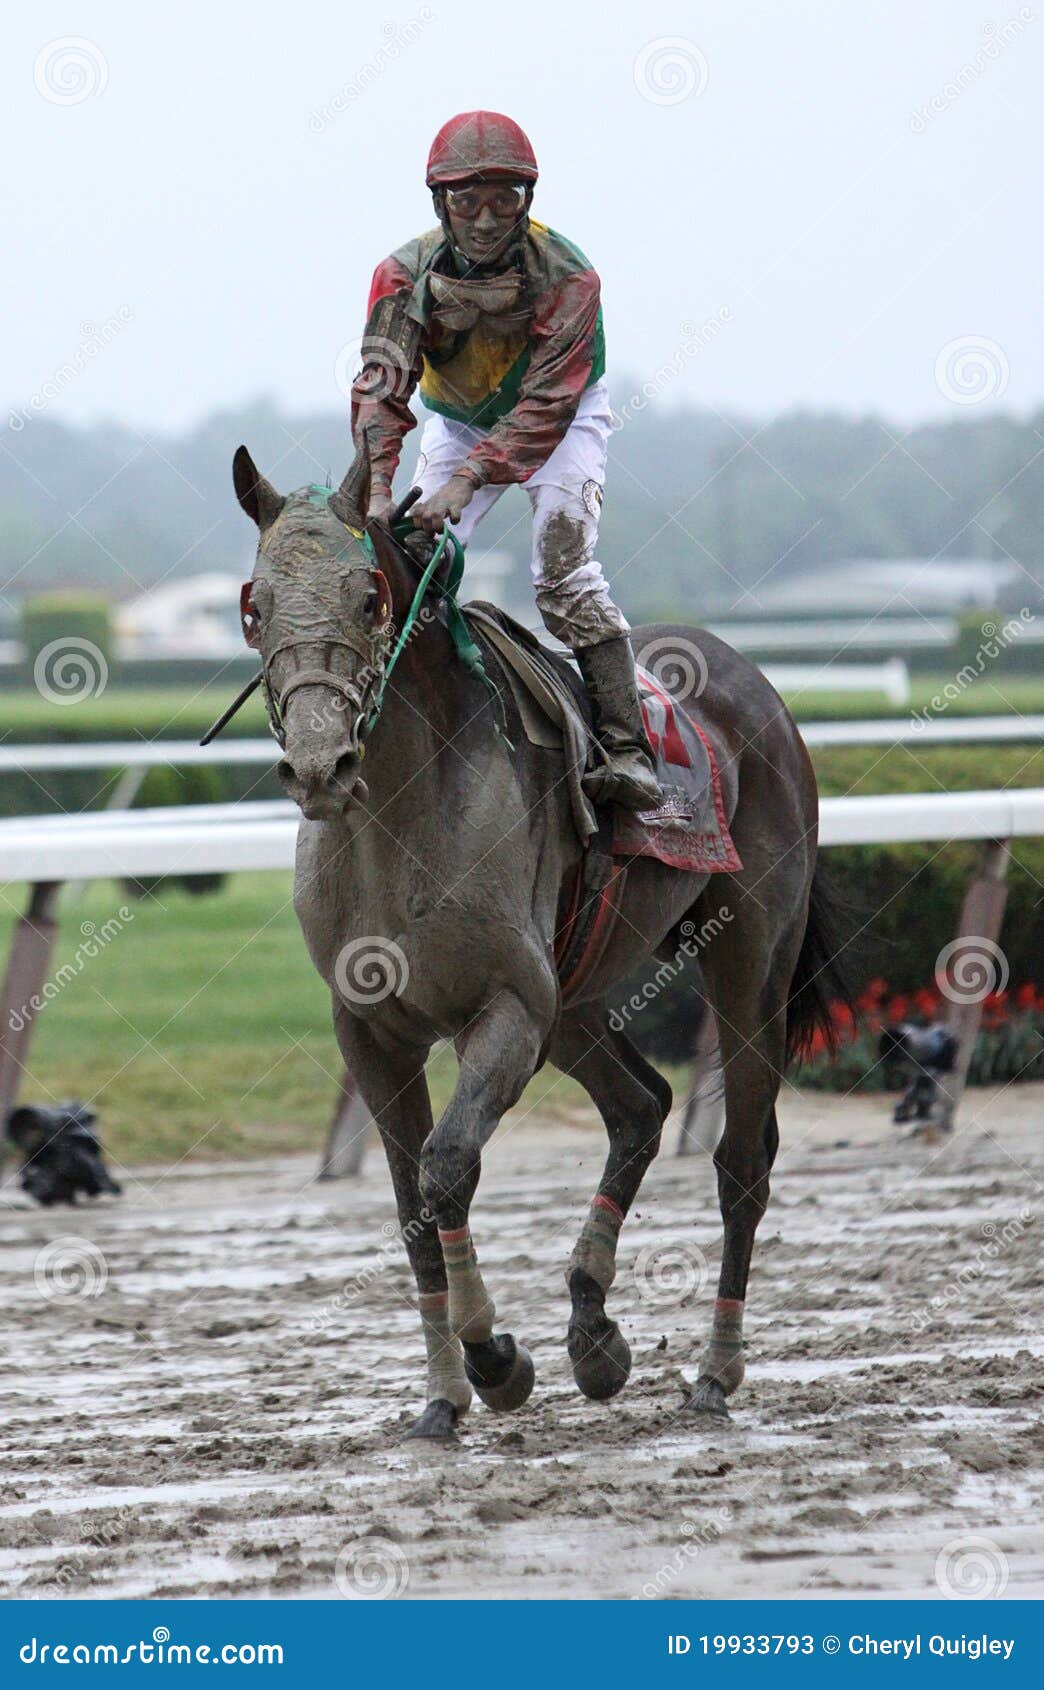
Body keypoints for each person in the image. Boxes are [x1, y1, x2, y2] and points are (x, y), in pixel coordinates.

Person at [350, 109, 660, 811]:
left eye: (504, 200)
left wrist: (466, 481)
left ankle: (626, 745)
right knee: (410, 559)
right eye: (467, 201)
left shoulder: (570, 275)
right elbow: (382, 389)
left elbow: (546, 406)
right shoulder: (401, 275)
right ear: (441, 205)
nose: (485, 220)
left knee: (562, 573)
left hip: (564, 415)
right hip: (459, 419)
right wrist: (375, 494)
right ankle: (400, 735)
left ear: (528, 201)